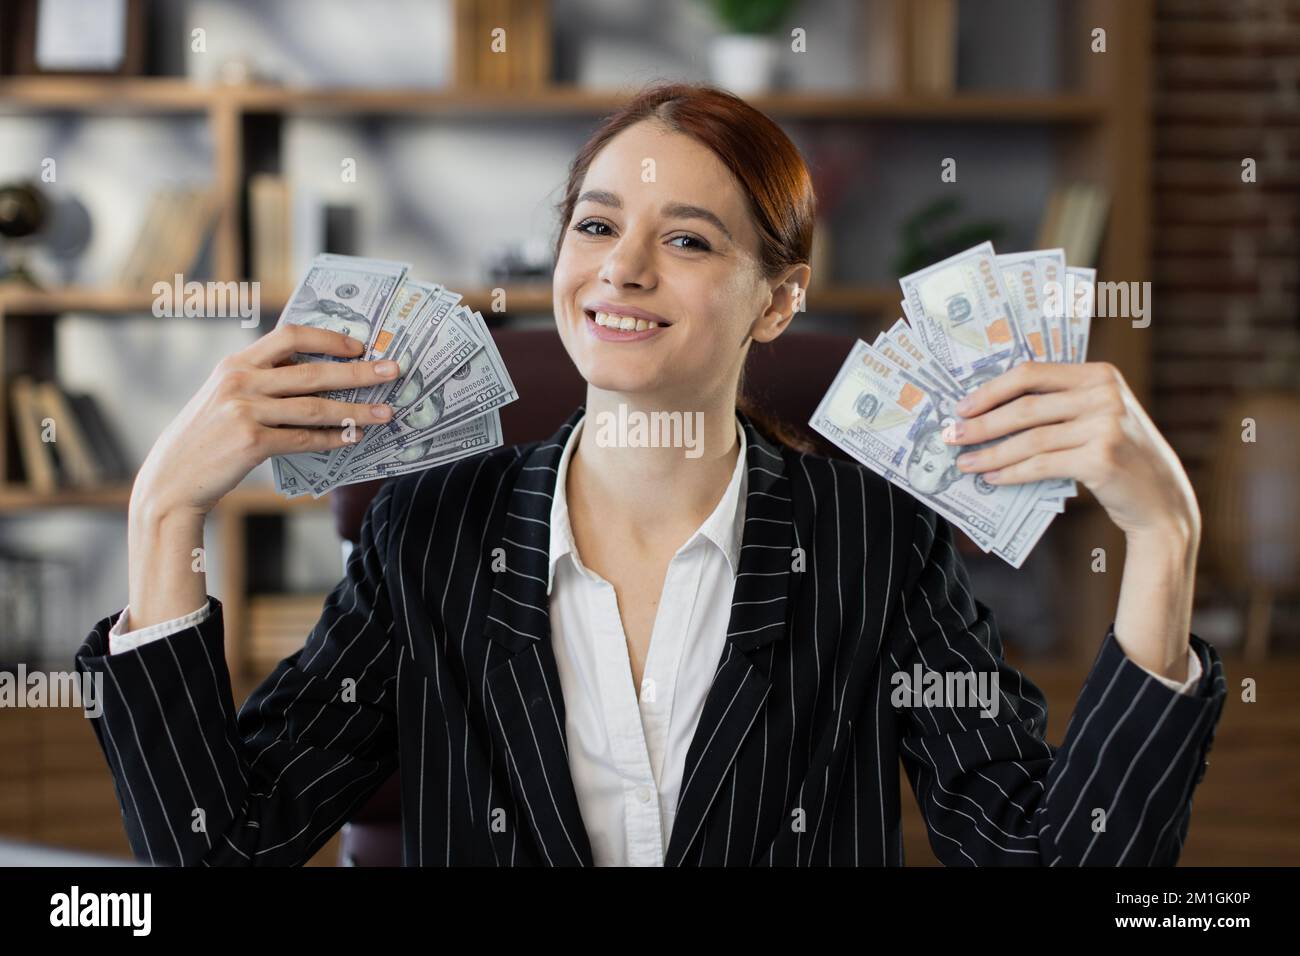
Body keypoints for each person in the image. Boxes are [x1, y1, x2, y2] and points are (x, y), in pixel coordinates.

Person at [74, 82, 1226, 867]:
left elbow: (1055, 854)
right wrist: (161, 505)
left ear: (776, 299)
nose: (619, 271)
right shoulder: (425, 533)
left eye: (686, 238)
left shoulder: (875, 539)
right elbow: (213, 843)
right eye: (593, 225)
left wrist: (1165, 535)